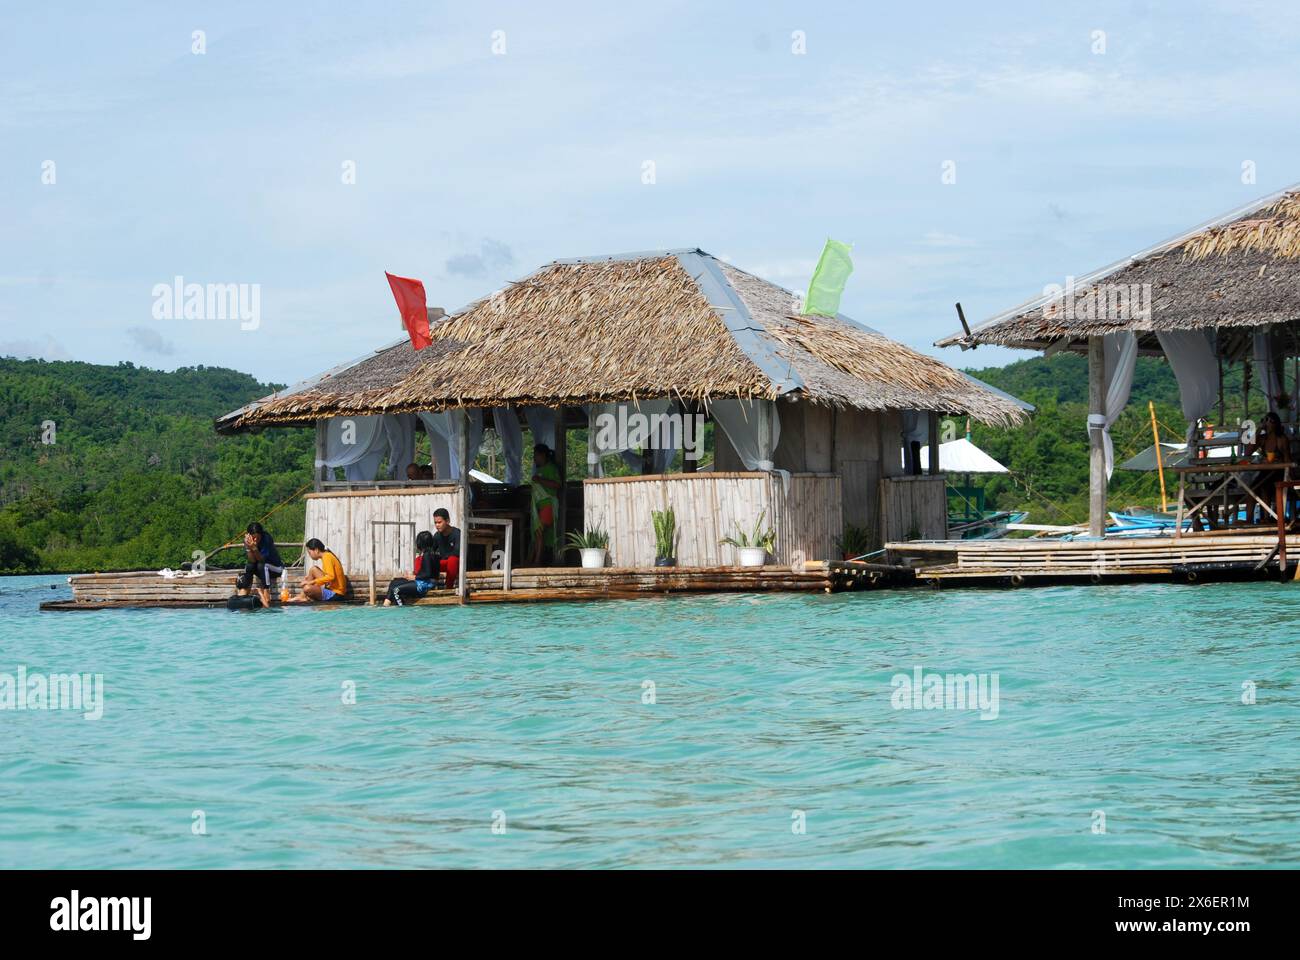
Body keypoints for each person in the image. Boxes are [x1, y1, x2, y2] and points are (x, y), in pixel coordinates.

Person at [235, 521, 284, 608]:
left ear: (261, 535)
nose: (255, 540)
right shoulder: (247, 541)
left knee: (262, 565)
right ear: (249, 536)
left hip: (276, 568)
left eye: (257, 537)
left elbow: (261, 560)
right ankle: (245, 592)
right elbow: (252, 560)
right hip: (262, 570)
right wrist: (248, 547)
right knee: (249, 566)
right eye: (253, 538)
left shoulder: (266, 539)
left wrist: (254, 547)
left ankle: (266, 592)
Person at [384, 530, 441, 606]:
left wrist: (415, 577)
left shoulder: (427, 555)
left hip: (425, 584)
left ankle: (402, 609)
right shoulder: (433, 554)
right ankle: (386, 604)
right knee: (394, 582)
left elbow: (427, 574)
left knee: (396, 590)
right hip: (425, 582)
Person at [287, 538, 349, 603]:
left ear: (316, 550)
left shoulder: (327, 557)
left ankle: (306, 597)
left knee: (307, 588)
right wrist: (310, 580)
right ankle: (302, 596)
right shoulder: (326, 555)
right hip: (331, 588)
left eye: (309, 553)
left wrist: (311, 582)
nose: (309, 555)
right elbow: (329, 577)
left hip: (336, 594)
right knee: (313, 569)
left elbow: (331, 577)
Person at [529, 443, 562, 565]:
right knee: (537, 533)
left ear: (542, 455)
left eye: (535, 455)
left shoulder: (551, 468)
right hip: (539, 507)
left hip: (548, 505)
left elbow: (558, 485)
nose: (534, 458)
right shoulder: (538, 470)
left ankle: (537, 562)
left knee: (539, 531)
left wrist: (540, 480)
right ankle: (534, 561)